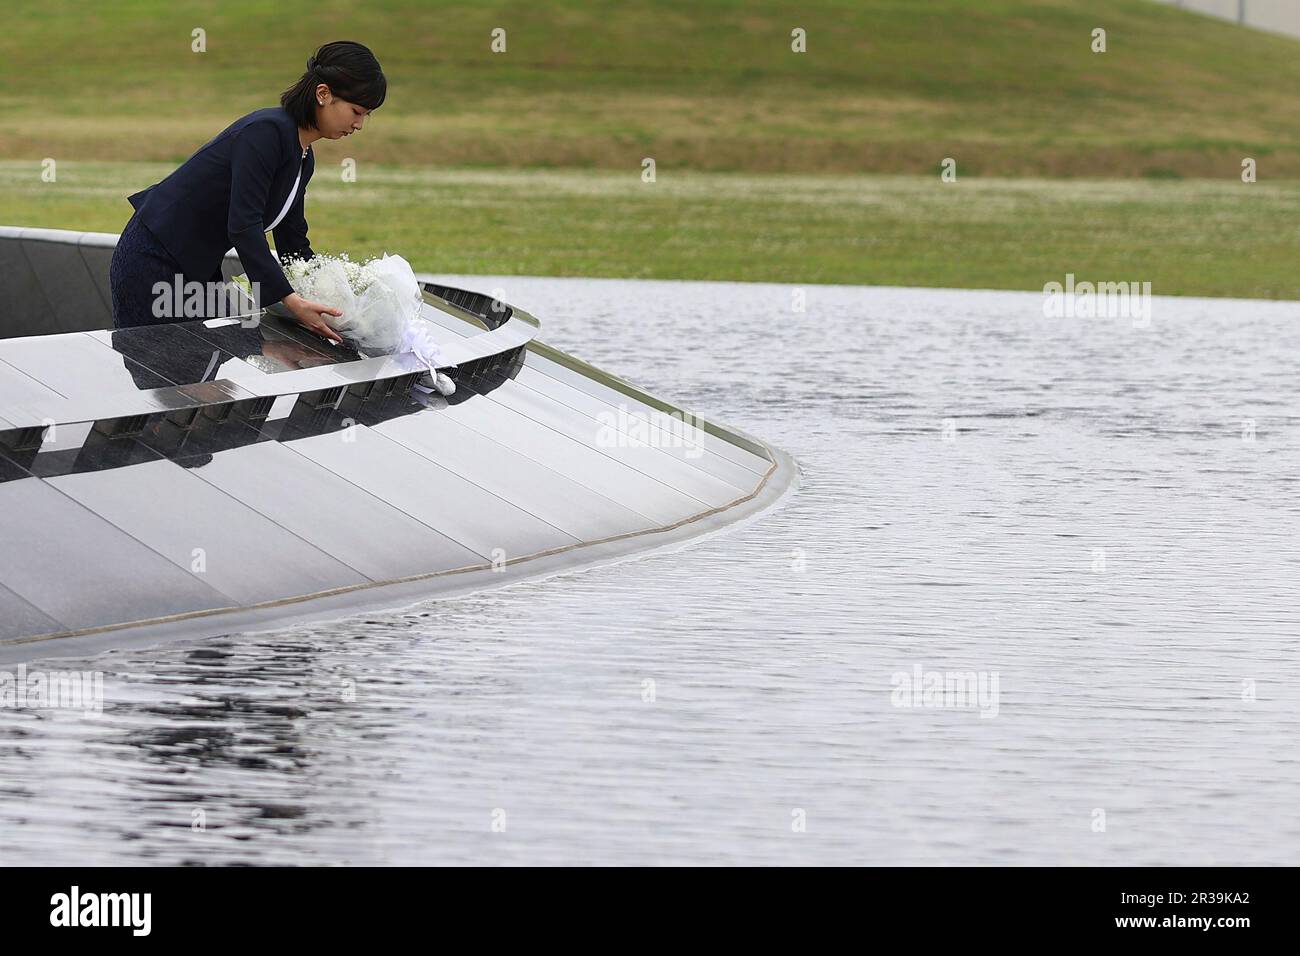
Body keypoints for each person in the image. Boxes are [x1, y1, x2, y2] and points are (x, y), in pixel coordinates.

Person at [109, 40, 386, 343]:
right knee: (172, 377)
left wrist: (336, 295)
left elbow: (293, 243)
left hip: (196, 268)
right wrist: (291, 301)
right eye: (356, 111)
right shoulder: (267, 132)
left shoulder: (302, 157)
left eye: (366, 115)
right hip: (152, 261)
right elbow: (243, 224)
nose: (359, 124)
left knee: (205, 377)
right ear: (323, 94)